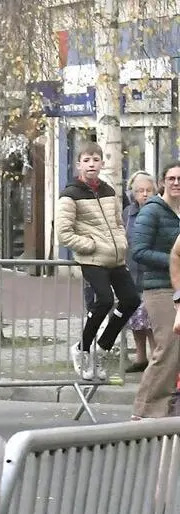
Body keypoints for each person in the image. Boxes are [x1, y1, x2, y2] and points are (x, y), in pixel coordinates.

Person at [56, 142, 141, 381]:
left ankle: (102, 348)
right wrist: (89, 245)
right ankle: (81, 348)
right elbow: (63, 232)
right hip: (92, 257)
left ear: (102, 163)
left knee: (131, 300)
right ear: (79, 164)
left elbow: (117, 221)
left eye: (96, 159)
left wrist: (121, 242)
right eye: (87, 160)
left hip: (115, 256)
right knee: (103, 300)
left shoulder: (109, 191)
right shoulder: (70, 194)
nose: (92, 164)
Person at [131, 162, 180, 419]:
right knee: (168, 347)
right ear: (163, 182)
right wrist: (174, 259)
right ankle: (145, 409)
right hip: (160, 288)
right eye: (171, 178)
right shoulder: (153, 211)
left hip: (178, 287)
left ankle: (167, 407)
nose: (176, 183)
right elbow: (139, 251)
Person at [122, 171, 157, 373]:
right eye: (139, 191)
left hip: (151, 273)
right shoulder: (128, 214)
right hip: (131, 272)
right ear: (132, 193)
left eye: (148, 190)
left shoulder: (158, 211)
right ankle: (140, 357)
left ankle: (155, 358)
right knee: (136, 318)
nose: (144, 194)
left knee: (150, 319)